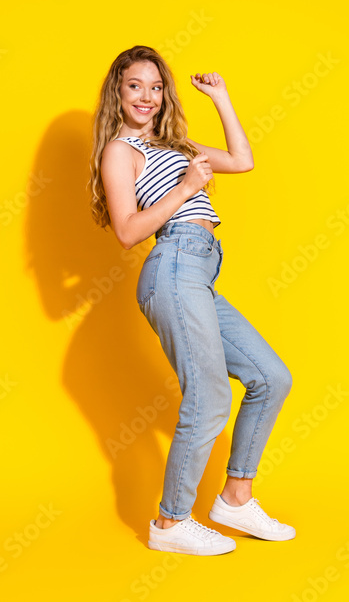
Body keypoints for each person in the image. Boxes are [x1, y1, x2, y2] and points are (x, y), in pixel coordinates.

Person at [87, 45, 296, 556]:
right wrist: (184, 188)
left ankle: (235, 499)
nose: (147, 97)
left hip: (198, 272)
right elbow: (127, 231)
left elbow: (243, 161)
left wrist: (222, 98)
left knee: (272, 377)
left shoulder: (174, 143)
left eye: (156, 87)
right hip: (174, 265)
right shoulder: (121, 151)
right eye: (136, 85)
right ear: (118, 89)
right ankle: (171, 521)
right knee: (208, 400)